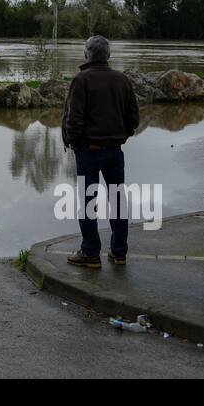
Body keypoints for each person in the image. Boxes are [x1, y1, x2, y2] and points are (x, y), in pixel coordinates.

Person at [62, 35, 140, 267]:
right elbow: (133, 118)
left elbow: (74, 119)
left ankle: (90, 253)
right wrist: (122, 136)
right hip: (115, 151)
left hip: (89, 151)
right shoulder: (122, 80)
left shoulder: (81, 80)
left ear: (87, 54)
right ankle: (119, 252)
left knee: (88, 203)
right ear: (108, 55)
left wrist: (74, 142)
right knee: (117, 199)